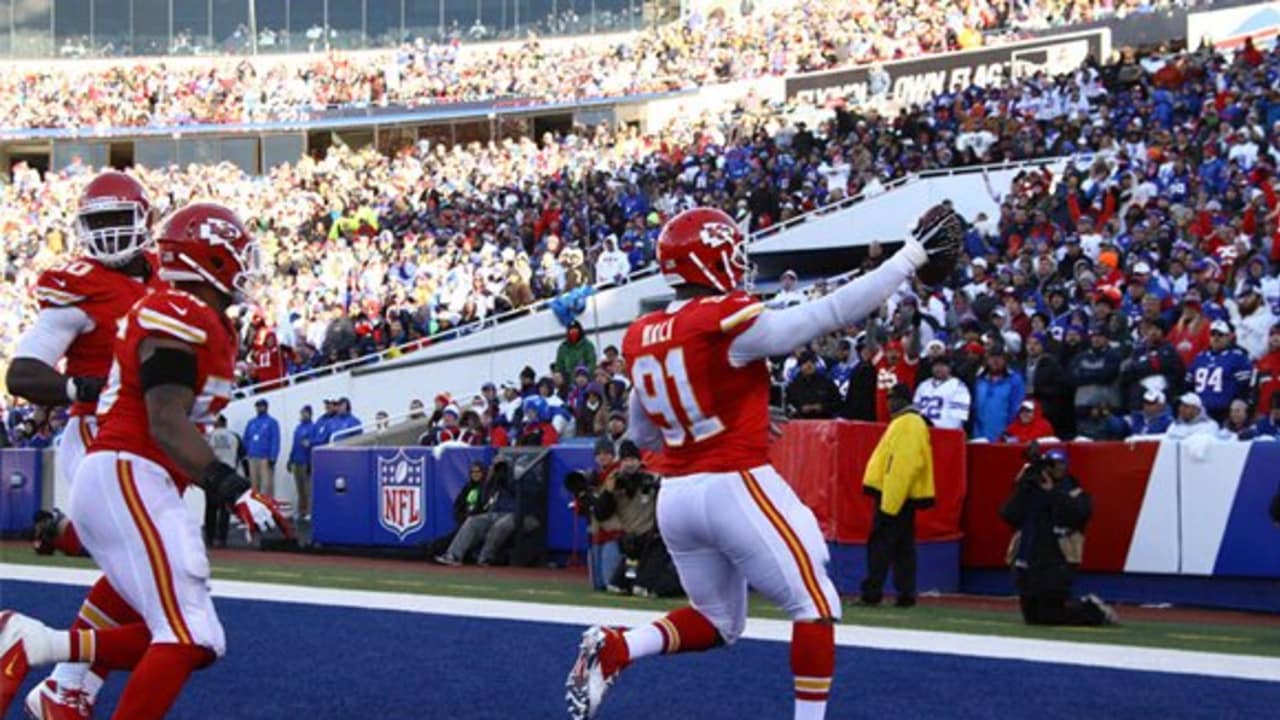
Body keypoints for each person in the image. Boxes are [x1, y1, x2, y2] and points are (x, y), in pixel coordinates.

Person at [566, 203, 961, 720]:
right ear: (711, 259)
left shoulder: (644, 333)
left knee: (719, 622)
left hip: (677, 498)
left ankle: (618, 647)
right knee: (816, 605)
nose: (740, 265)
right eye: (732, 254)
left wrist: (726, 412)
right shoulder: (724, 319)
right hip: (733, 482)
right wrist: (908, 258)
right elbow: (828, 314)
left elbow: (642, 432)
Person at [0, 203, 289, 720]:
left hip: (138, 473)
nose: (247, 266)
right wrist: (235, 490)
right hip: (128, 467)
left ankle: (41, 649)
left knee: (194, 636)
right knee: (188, 633)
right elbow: (164, 420)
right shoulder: (177, 312)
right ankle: (54, 671)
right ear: (210, 259)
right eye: (238, 253)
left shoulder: (198, 317)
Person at [4, 171, 167, 717]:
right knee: (156, 583)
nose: (111, 232)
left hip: (150, 435)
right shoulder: (79, 287)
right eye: (100, 222)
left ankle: (63, 690)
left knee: (139, 576)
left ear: (144, 219)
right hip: (103, 434)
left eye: (120, 219)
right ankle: (64, 686)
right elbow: (24, 373)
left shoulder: (164, 275)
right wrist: (84, 388)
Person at [999, 447, 1116, 626]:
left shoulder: (1073, 491)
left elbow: (1076, 515)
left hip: (1058, 560)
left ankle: (1095, 611)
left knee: (1051, 614)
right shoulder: (1033, 490)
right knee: (1033, 617)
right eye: (1052, 464)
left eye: (1060, 463)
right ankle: (1083, 608)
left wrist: (1052, 492)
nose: (1057, 468)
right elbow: (1009, 514)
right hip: (1028, 558)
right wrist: (1023, 488)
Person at [859, 384, 935, 608]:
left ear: (905, 400)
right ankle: (905, 594)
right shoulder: (908, 422)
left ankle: (873, 592)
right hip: (900, 495)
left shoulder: (908, 423)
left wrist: (890, 502)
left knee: (881, 545)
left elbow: (903, 466)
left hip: (894, 495)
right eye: (888, 398)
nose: (890, 403)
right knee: (903, 547)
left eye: (894, 399)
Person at [434, 458, 520, 566]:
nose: (499, 469)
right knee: (472, 521)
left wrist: (508, 474)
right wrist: (491, 478)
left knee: (499, 526)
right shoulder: (490, 482)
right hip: (495, 513)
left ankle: (485, 558)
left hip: (515, 513)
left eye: (478, 472)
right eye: (473, 472)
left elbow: (520, 492)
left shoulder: (516, 477)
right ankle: (453, 556)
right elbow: (484, 499)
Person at [1186, 320, 1253, 423]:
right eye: (1213, 334)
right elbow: (1188, 385)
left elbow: (1244, 387)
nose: (1216, 338)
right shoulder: (1200, 357)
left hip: (1225, 413)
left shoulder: (1238, 357)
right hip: (1199, 413)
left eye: (1220, 334)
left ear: (1229, 337)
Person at [973, 346, 1025, 442]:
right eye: (992, 357)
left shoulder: (1014, 380)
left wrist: (1009, 431)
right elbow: (974, 407)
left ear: (1005, 360)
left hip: (1004, 435)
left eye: (999, 358)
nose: (995, 361)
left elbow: (1016, 409)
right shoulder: (979, 379)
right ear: (987, 360)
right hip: (979, 435)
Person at [204, 415, 241, 548]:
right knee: (225, 508)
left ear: (216, 424)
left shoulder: (210, 436)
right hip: (229, 473)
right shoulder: (234, 436)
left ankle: (209, 537)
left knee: (211, 507)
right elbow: (241, 455)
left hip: (213, 473)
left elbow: (204, 453)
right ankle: (222, 538)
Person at [912, 356, 970, 430]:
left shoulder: (958, 386)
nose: (938, 368)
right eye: (936, 365)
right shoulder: (923, 385)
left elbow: (957, 419)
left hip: (945, 431)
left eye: (942, 365)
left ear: (949, 368)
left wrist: (935, 427)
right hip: (922, 429)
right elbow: (915, 410)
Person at [786, 350, 840, 419]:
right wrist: (800, 408)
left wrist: (823, 407)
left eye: (812, 362)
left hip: (823, 420)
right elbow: (788, 405)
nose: (809, 365)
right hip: (801, 421)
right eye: (805, 362)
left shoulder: (826, 382)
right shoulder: (793, 385)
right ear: (800, 365)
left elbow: (837, 403)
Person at [243, 398, 280, 498]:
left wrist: (273, 457)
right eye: (258, 406)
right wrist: (246, 454)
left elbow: (275, 440)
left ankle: (268, 506)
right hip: (252, 457)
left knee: (266, 486)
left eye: (261, 406)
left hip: (265, 458)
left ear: (266, 407)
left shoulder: (272, 422)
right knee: (254, 485)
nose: (259, 408)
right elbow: (246, 438)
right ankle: (256, 506)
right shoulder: (251, 422)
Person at [288, 405, 316, 522]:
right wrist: (290, 459)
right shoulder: (298, 428)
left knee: (307, 488)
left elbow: (314, 445)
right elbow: (294, 445)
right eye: (302, 413)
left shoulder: (313, 427)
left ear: (310, 414)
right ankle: (301, 510)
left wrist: (311, 462)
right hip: (297, 461)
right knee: (299, 489)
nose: (303, 415)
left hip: (306, 461)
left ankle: (310, 511)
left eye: (305, 413)